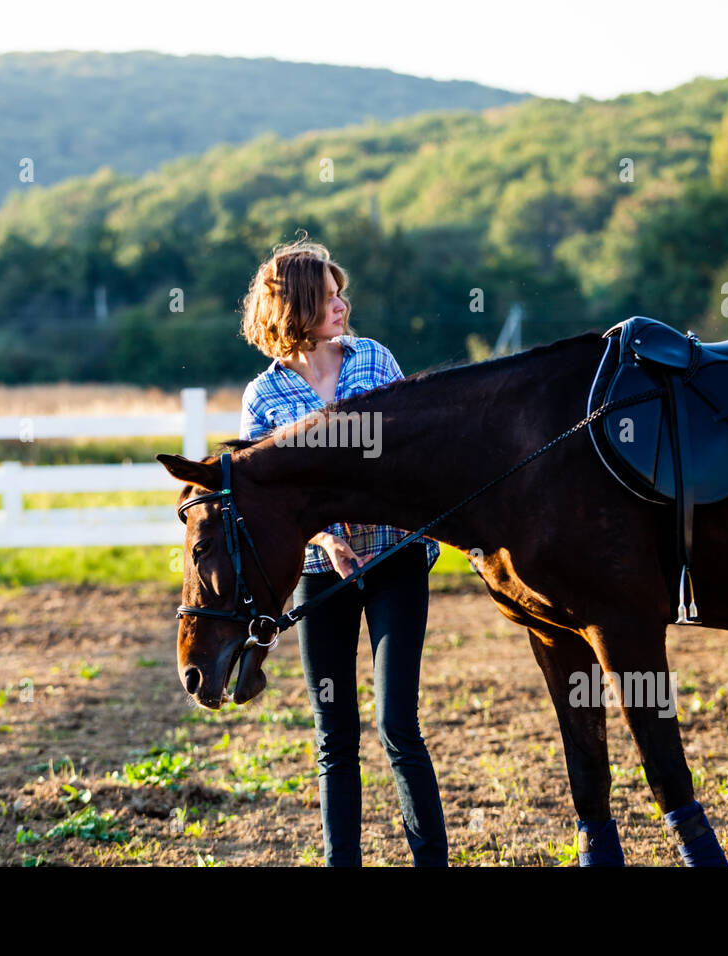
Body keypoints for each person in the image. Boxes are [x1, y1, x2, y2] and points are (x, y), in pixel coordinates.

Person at [237, 234, 448, 866]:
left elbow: (407, 456)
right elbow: (269, 503)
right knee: (335, 735)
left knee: (397, 725)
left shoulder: (375, 361)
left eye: (341, 293)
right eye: (328, 297)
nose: (342, 305)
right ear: (296, 306)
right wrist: (325, 536)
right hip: (317, 574)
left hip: (396, 561)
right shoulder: (263, 399)